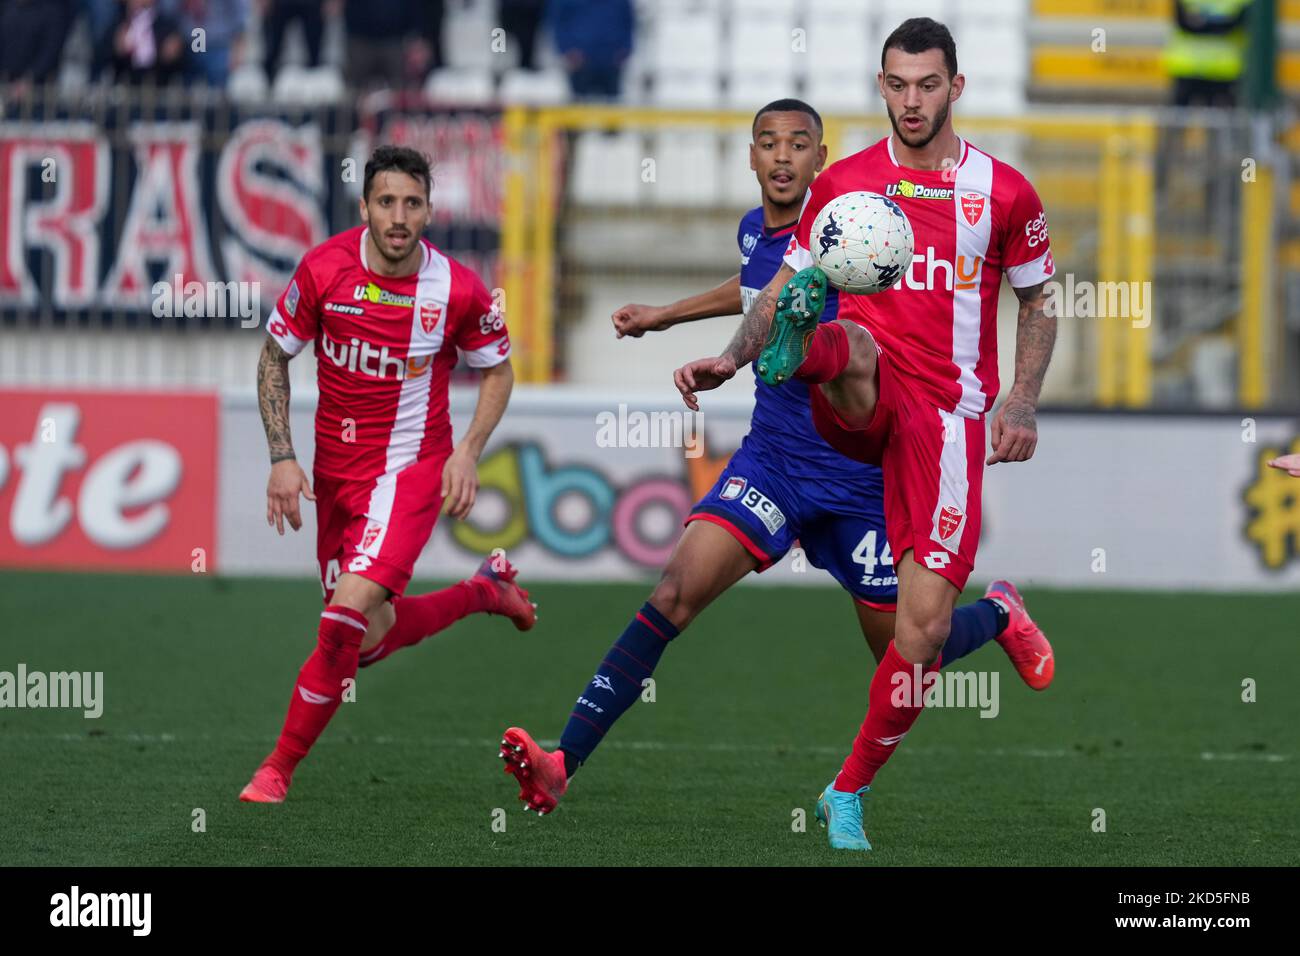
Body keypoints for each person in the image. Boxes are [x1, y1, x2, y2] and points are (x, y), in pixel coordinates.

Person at [496, 98, 1053, 822]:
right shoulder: (757, 233)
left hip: (861, 475)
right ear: (751, 157)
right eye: (768, 143)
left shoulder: (854, 233)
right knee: (673, 592)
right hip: (777, 461)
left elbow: (834, 298)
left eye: (799, 144)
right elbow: (754, 284)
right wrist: (668, 318)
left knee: (918, 649)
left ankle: (1000, 614)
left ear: (822, 161)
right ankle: (561, 761)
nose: (784, 156)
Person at [675, 18, 1058, 850]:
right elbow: (779, 281)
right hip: (866, 384)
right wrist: (735, 357)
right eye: (897, 84)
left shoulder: (1005, 194)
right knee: (845, 341)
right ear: (880, 86)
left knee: (916, 636)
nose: (911, 101)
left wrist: (1021, 399)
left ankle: (848, 789)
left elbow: (1037, 300)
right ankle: (807, 354)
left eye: (928, 85)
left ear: (956, 87)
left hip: (947, 421)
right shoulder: (845, 185)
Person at [240, 146, 535, 804]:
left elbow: (498, 368)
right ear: (366, 207)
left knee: (343, 619)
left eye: (412, 203)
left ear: (429, 210)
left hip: (409, 469)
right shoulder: (324, 269)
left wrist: (467, 452)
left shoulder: (457, 289)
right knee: (365, 642)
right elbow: (273, 357)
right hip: (335, 473)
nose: (398, 217)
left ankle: (277, 769)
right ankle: (484, 592)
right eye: (386, 202)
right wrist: (281, 456)